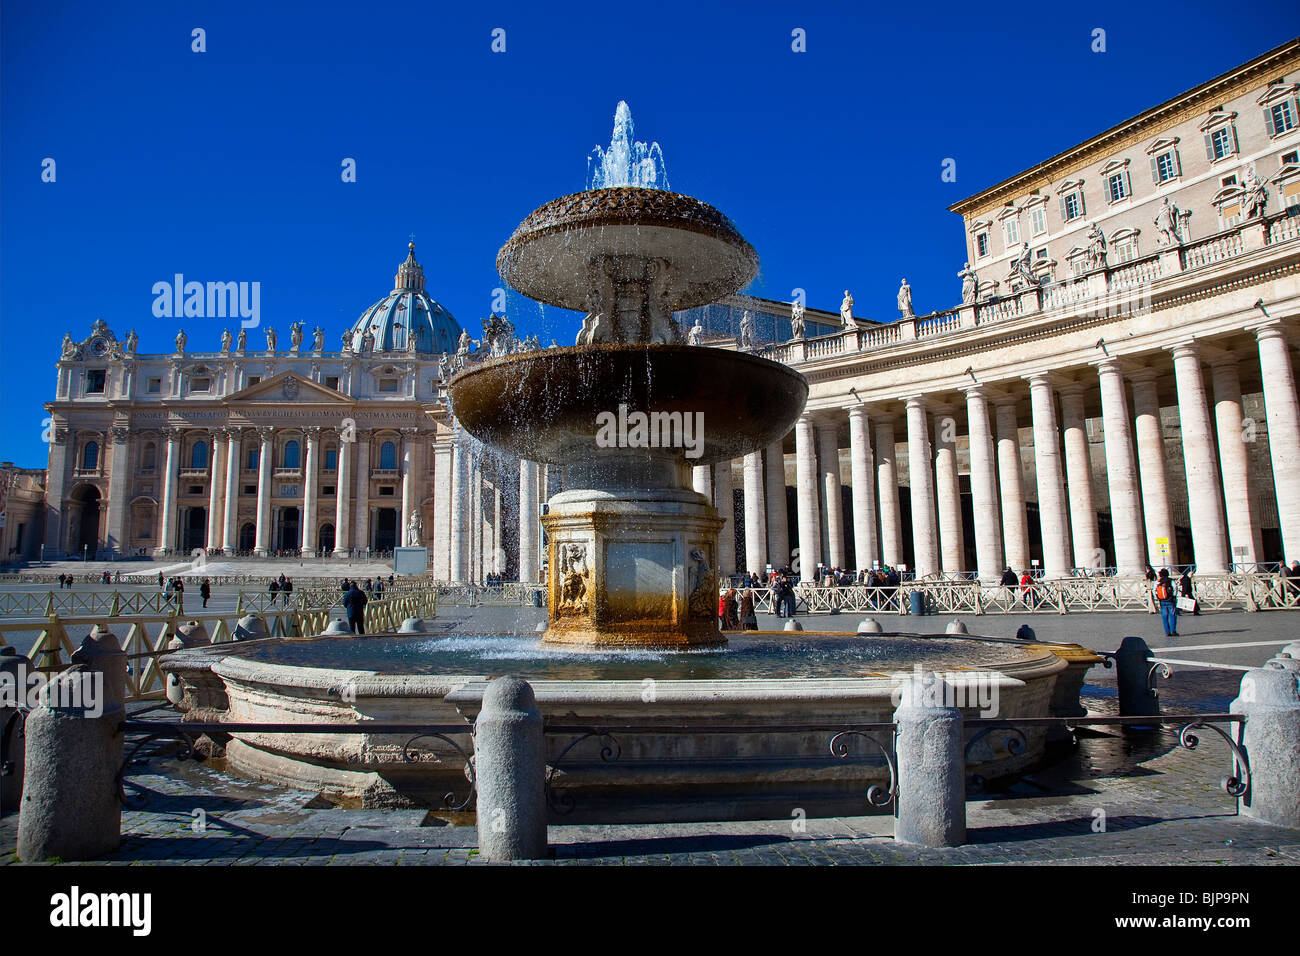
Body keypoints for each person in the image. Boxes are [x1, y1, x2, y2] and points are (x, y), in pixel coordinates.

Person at [1154, 568, 1178, 636]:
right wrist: (1174, 596)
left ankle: (1167, 632)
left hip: (1162, 601)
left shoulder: (1157, 582)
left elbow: (1154, 591)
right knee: (1172, 615)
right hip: (1170, 600)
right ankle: (1173, 631)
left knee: (1164, 616)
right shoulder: (1171, 581)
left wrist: (1158, 598)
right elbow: (1175, 588)